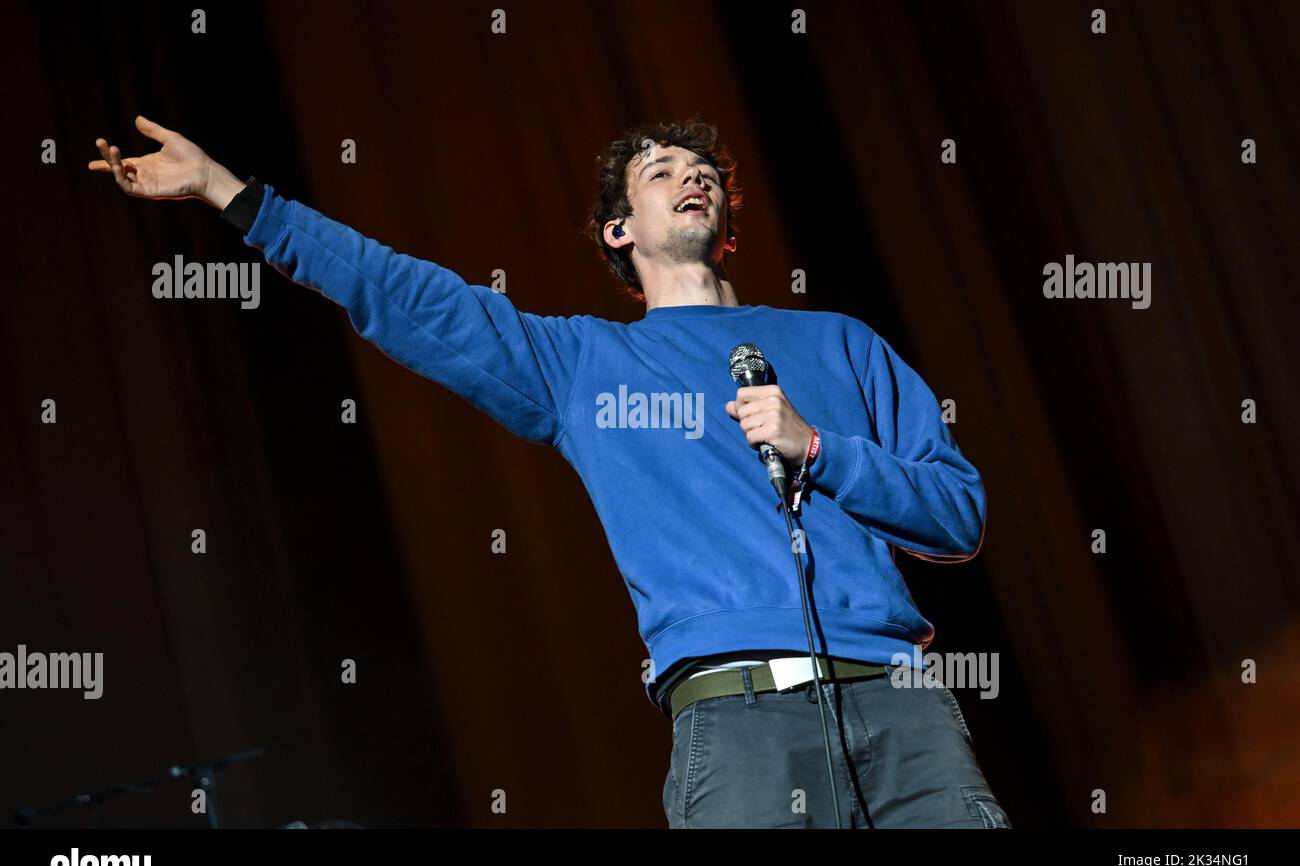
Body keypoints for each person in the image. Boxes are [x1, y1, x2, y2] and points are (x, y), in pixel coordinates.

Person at [90, 115, 1010, 828]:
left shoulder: (842, 345)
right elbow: (406, 297)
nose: (690, 175)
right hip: (738, 724)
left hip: (904, 714)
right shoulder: (582, 367)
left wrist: (821, 449)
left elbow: (956, 516)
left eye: (703, 171)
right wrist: (226, 190)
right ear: (619, 230)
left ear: (728, 214)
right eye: (660, 171)